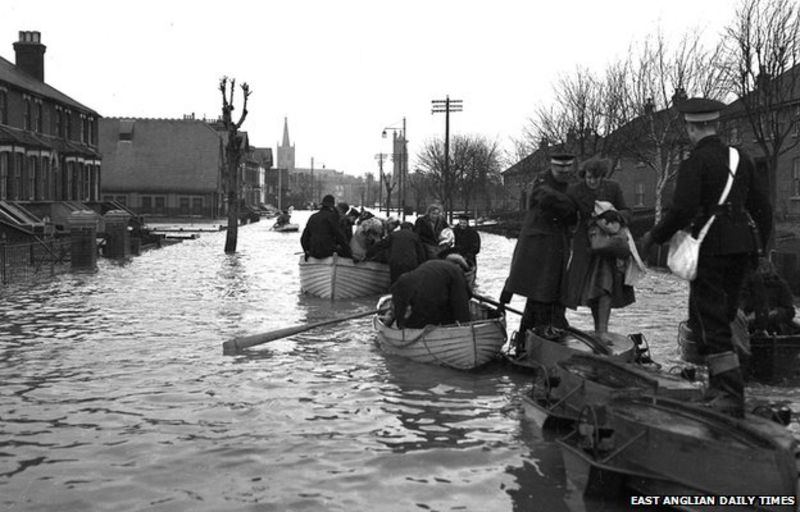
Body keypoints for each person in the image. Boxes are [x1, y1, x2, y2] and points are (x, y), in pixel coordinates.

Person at [641, 97, 772, 418]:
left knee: (710, 317)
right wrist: (763, 250)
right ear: (715, 124)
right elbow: (763, 208)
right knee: (724, 314)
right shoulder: (740, 157)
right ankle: (720, 385)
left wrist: (653, 237)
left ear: (691, 127)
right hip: (742, 247)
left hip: (710, 247)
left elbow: (682, 209)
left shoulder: (695, 162)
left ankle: (729, 394)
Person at [500, 152, 579, 344]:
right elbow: (546, 198)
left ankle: (544, 333)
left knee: (554, 291)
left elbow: (574, 207)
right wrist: (569, 204)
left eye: (567, 168)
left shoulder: (574, 182)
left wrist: (568, 205)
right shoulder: (542, 181)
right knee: (539, 290)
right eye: (560, 168)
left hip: (560, 243)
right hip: (538, 244)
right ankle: (531, 339)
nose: (564, 172)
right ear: (552, 166)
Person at [564, 158, 635, 342]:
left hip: (607, 248)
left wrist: (615, 216)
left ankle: (602, 331)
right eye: (589, 178)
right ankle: (560, 324)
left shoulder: (613, 188)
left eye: (596, 178)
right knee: (582, 289)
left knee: (605, 288)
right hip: (585, 248)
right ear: (584, 176)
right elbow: (567, 215)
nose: (593, 181)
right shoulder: (575, 191)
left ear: (602, 177)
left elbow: (627, 211)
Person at [389, 253, 472, 329]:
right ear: (459, 266)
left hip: (403, 284)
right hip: (428, 296)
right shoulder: (456, 272)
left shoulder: (432, 263)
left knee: (410, 322)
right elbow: (462, 305)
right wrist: (466, 327)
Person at [740, 257, 799, 335]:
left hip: (774, 325)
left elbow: (789, 310)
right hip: (748, 325)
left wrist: (774, 314)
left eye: (764, 268)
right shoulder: (745, 286)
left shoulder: (779, 285)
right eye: (760, 269)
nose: (762, 271)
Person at [300, 194, 352, 259]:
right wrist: (349, 252)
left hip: (313, 252)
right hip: (328, 251)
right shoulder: (332, 217)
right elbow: (340, 236)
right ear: (331, 206)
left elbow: (303, 238)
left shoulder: (312, 217)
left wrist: (306, 250)